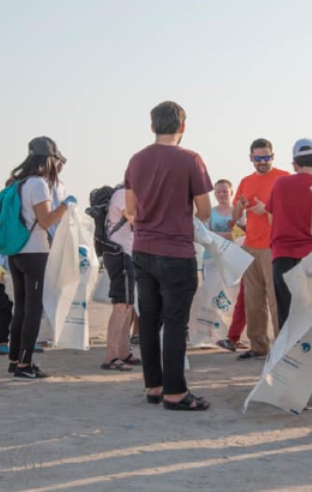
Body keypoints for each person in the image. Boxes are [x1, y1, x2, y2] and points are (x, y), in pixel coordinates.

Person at [125, 101, 214, 411]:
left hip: (143, 248)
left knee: (148, 320)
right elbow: (204, 211)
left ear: (152, 127)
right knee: (176, 323)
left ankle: (154, 386)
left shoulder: (136, 160)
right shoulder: (191, 159)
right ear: (183, 127)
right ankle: (176, 393)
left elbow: (131, 209)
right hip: (176, 250)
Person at [6, 137, 76, 380]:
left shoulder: (18, 182)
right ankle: (25, 365)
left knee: (21, 308)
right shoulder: (38, 184)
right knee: (33, 309)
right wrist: (66, 205)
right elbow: (46, 221)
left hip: (15, 251)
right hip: (35, 251)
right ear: (50, 159)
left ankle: (15, 360)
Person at [233, 139, 289, 360]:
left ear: (273, 156)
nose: (263, 162)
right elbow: (235, 217)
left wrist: (265, 209)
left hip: (274, 245)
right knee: (253, 299)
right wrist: (240, 205)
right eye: (258, 158)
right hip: (250, 246)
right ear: (251, 158)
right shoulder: (245, 181)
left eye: (266, 157)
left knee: (276, 299)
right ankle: (258, 346)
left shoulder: (283, 177)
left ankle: (282, 346)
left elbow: (288, 212)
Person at [267, 139, 312, 330]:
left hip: (282, 255)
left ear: (294, 165)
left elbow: (270, 219)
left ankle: (285, 357)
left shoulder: (280, 183)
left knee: (287, 312)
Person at [100, 183, 140, 372]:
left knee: (128, 305)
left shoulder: (126, 193)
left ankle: (123, 352)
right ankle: (111, 356)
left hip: (125, 254)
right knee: (121, 305)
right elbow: (134, 218)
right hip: (120, 255)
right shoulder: (124, 194)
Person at [209, 180, 248, 352]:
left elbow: (246, 232)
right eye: (218, 192)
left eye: (225, 191)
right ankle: (212, 335)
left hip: (236, 259)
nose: (222, 195)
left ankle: (233, 335)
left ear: (232, 193)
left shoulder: (239, 212)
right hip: (213, 258)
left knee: (235, 298)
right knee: (213, 296)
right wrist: (226, 235)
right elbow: (204, 234)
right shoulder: (209, 213)